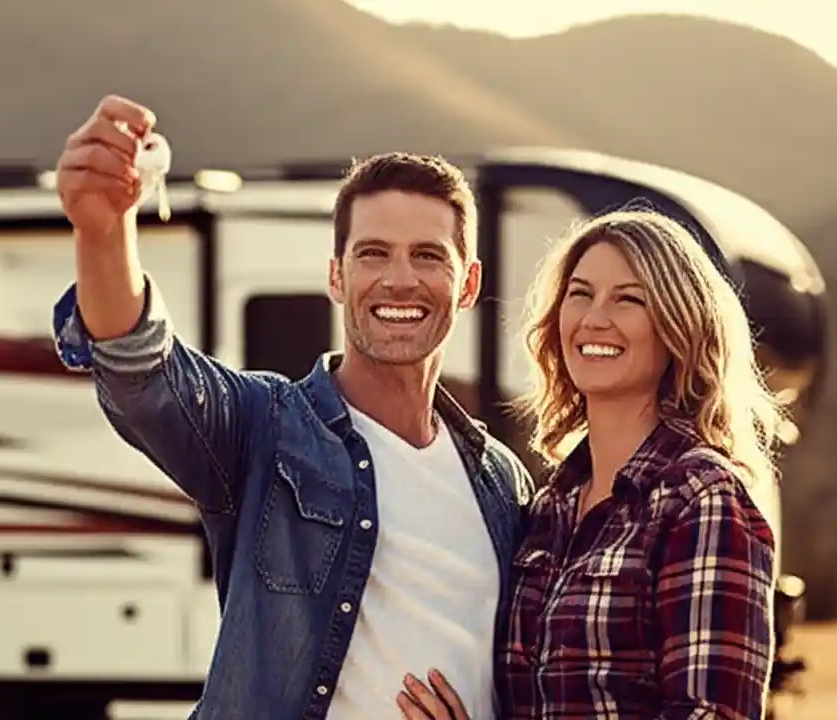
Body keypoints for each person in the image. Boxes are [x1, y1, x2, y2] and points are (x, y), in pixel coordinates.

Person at [50, 95, 533, 719]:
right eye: (373, 253)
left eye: (429, 255)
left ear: (467, 284)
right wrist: (103, 229)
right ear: (336, 277)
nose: (400, 280)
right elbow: (142, 370)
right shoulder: (265, 429)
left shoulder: (501, 483)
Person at [397, 208, 781, 719]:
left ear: (677, 328)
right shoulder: (549, 507)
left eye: (628, 299)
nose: (594, 318)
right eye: (581, 294)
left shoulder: (701, 499)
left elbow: (711, 713)